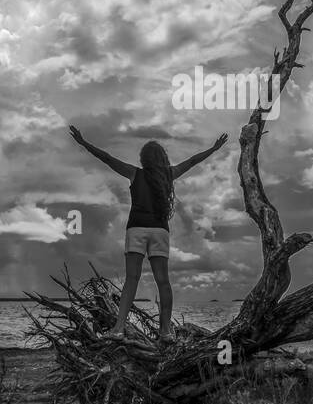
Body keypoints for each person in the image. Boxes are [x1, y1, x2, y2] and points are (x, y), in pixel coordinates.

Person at [68, 126, 228, 344]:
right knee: (163, 282)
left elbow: (107, 158)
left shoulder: (135, 173)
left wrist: (84, 142)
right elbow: (192, 161)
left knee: (131, 280)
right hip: (160, 231)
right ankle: (166, 332)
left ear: (143, 159)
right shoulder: (169, 174)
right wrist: (214, 148)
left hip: (136, 229)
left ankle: (118, 329)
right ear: (162, 158)